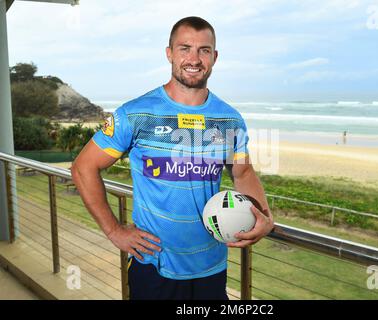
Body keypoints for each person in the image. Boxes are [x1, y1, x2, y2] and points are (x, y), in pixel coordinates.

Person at [71, 16, 274, 300]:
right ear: (169, 53)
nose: (194, 58)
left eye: (204, 50)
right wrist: (114, 230)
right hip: (153, 266)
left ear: (214, 57)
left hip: (211, 266)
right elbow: (84, 167)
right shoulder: (136, 114)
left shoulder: (229, 119)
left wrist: (265, 216)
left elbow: (243, 174)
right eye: (184, 48)